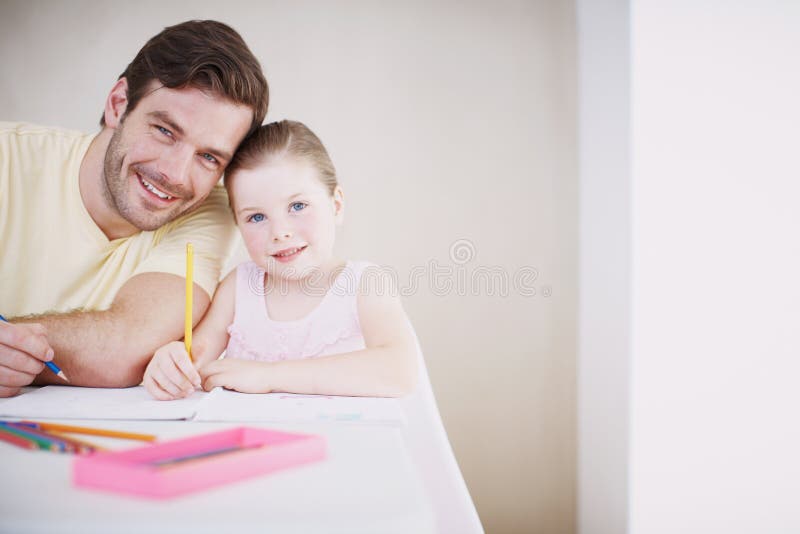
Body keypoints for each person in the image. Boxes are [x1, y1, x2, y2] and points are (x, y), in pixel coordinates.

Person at [0, 20, 269, 398]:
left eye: (208, 157)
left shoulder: (210, 209)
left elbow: (128, 346)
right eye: (164, 131)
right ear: (117, 104)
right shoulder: (7, 157)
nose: (174, 174)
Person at [143, 120, 417, 399]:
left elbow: (400, 371)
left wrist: (269, 375)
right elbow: (195, 362)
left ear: (336, 205)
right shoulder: (239, 288)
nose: (280, 232)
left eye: (298, 206)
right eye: (257, 217)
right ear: (238, 222)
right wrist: (172, 365)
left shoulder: (364, 284)